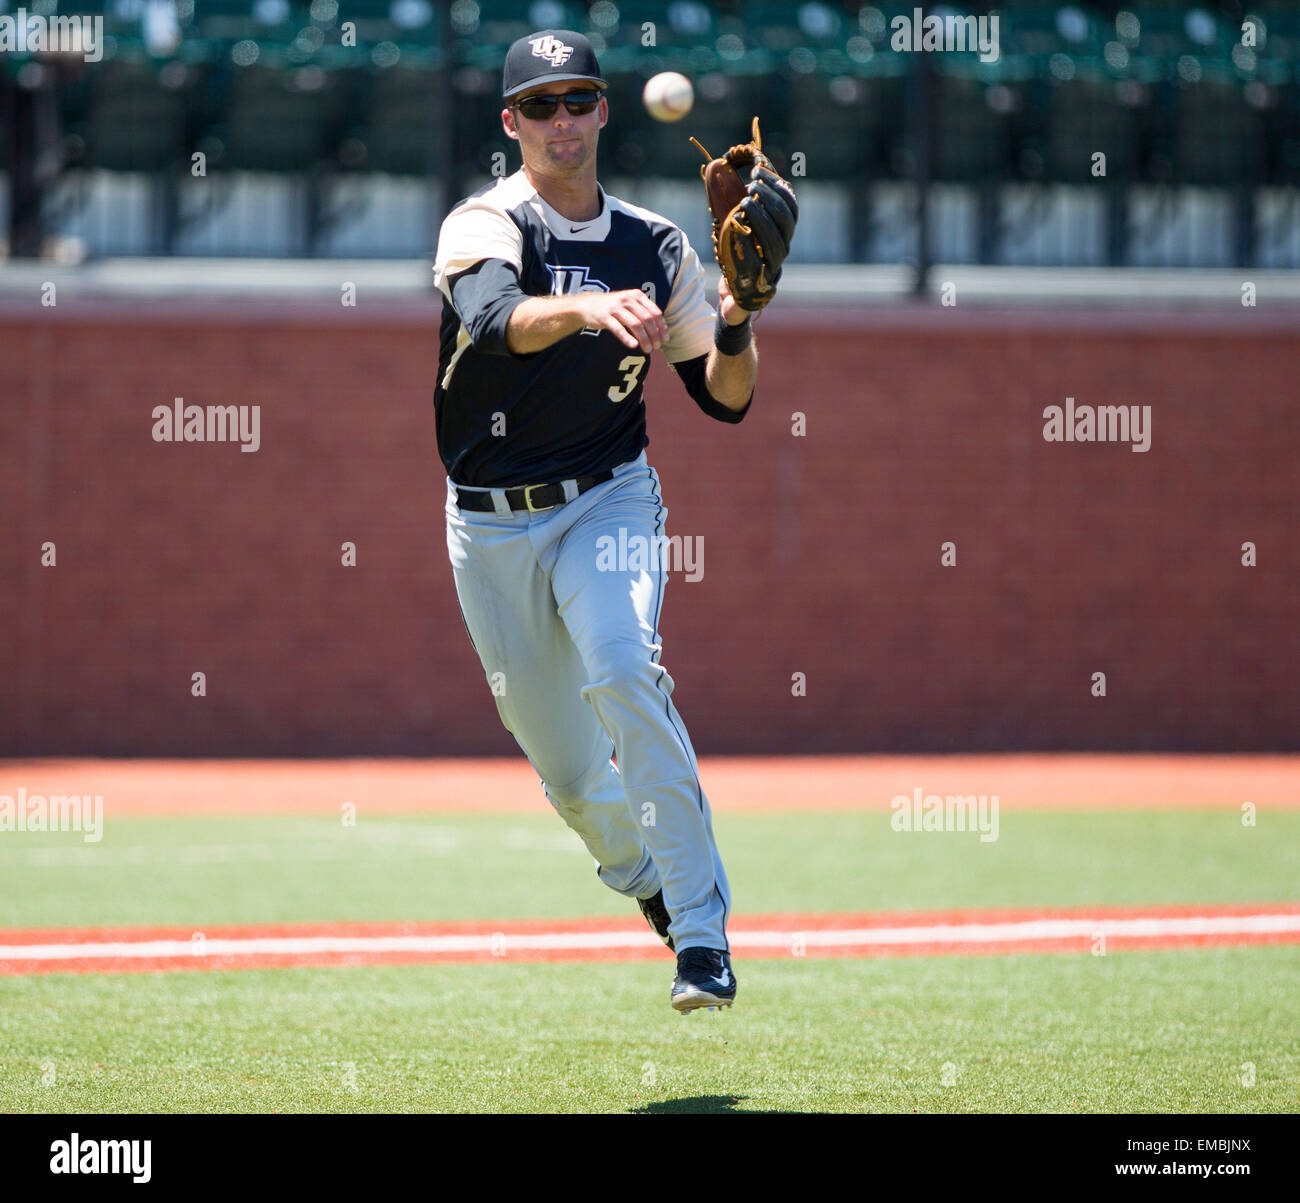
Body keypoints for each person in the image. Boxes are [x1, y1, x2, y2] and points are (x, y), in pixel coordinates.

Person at [432, 30, 767, 1013]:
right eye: (540, 105)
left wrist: (741, 314)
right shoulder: (482, 223)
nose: (562, 120)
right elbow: (497, 321)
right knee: (573, 779)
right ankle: (655, 890)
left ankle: (702, 939)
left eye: (578, 99)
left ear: (604, 110)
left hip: (606, 499)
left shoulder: (657, 243)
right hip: (488, 524)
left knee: (624, 670)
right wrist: (588, 309)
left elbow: (725, 396)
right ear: (511, 122)